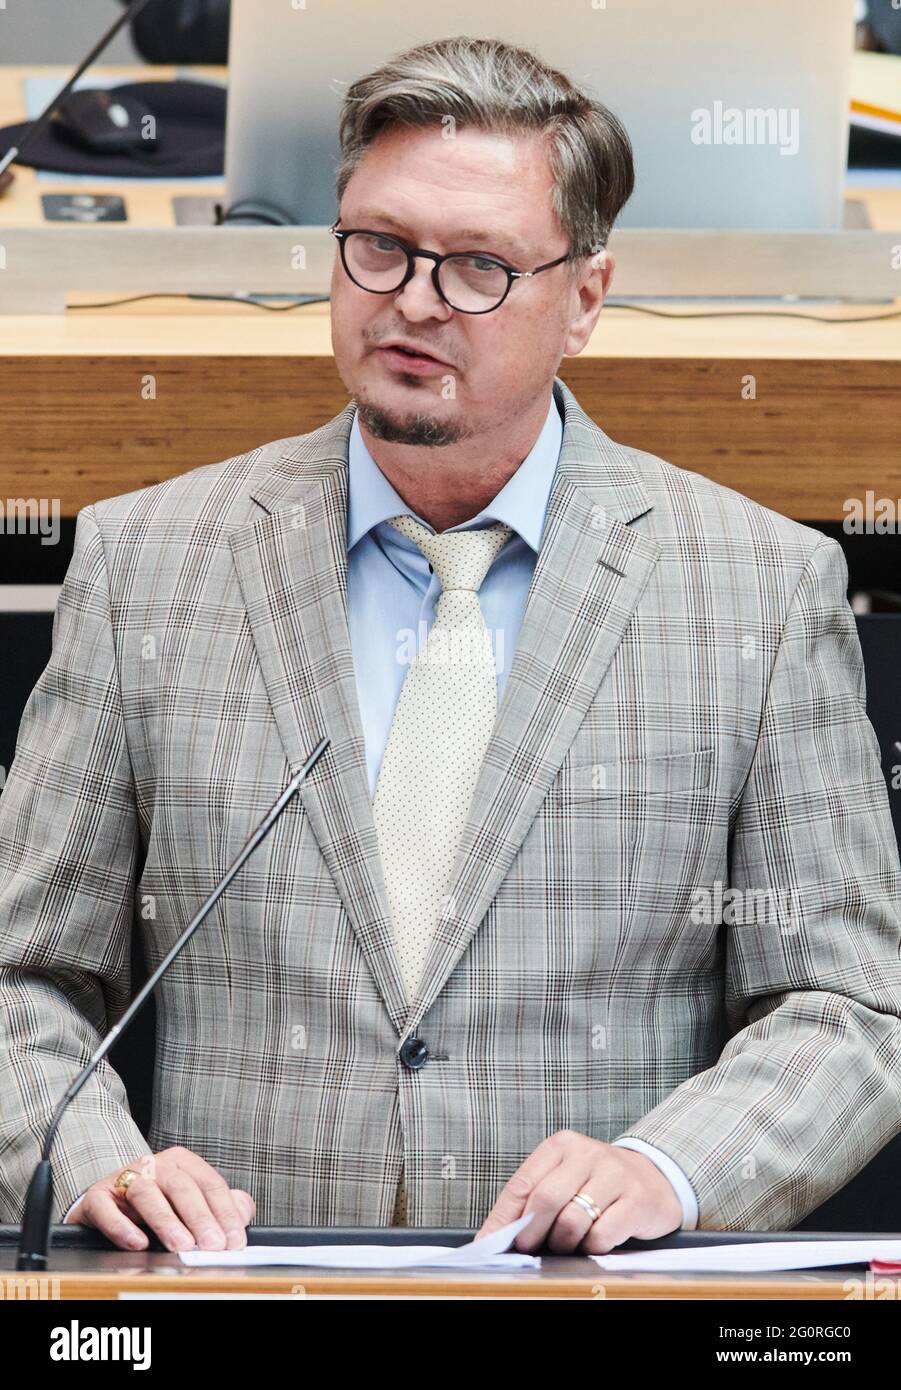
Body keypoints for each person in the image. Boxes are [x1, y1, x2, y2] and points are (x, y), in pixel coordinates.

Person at [1, 36, 900, 1258]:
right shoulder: (147, 565)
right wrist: (89, 1156)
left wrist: (667, 1166)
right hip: (241, 1284)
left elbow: (848, 1006)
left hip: (585, 1290)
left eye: (478, 265)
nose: (415, 300)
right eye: (379, 246)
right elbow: (22, 976)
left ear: (585, 297)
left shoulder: (756, 591)